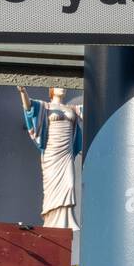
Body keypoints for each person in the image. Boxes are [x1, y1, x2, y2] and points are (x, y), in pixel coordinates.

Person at [17, 85, 83, 229]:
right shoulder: (45, 107)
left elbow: (91, 109)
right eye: (59, 86)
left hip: (66, 153)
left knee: (70, 184)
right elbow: (29, 108)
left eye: (65, 86)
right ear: (52, 90)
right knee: (53, 187)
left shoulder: (73, 109)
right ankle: (53, 222)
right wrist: (23, 92)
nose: (63, 88)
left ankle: (68, 219)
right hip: (52, 153)